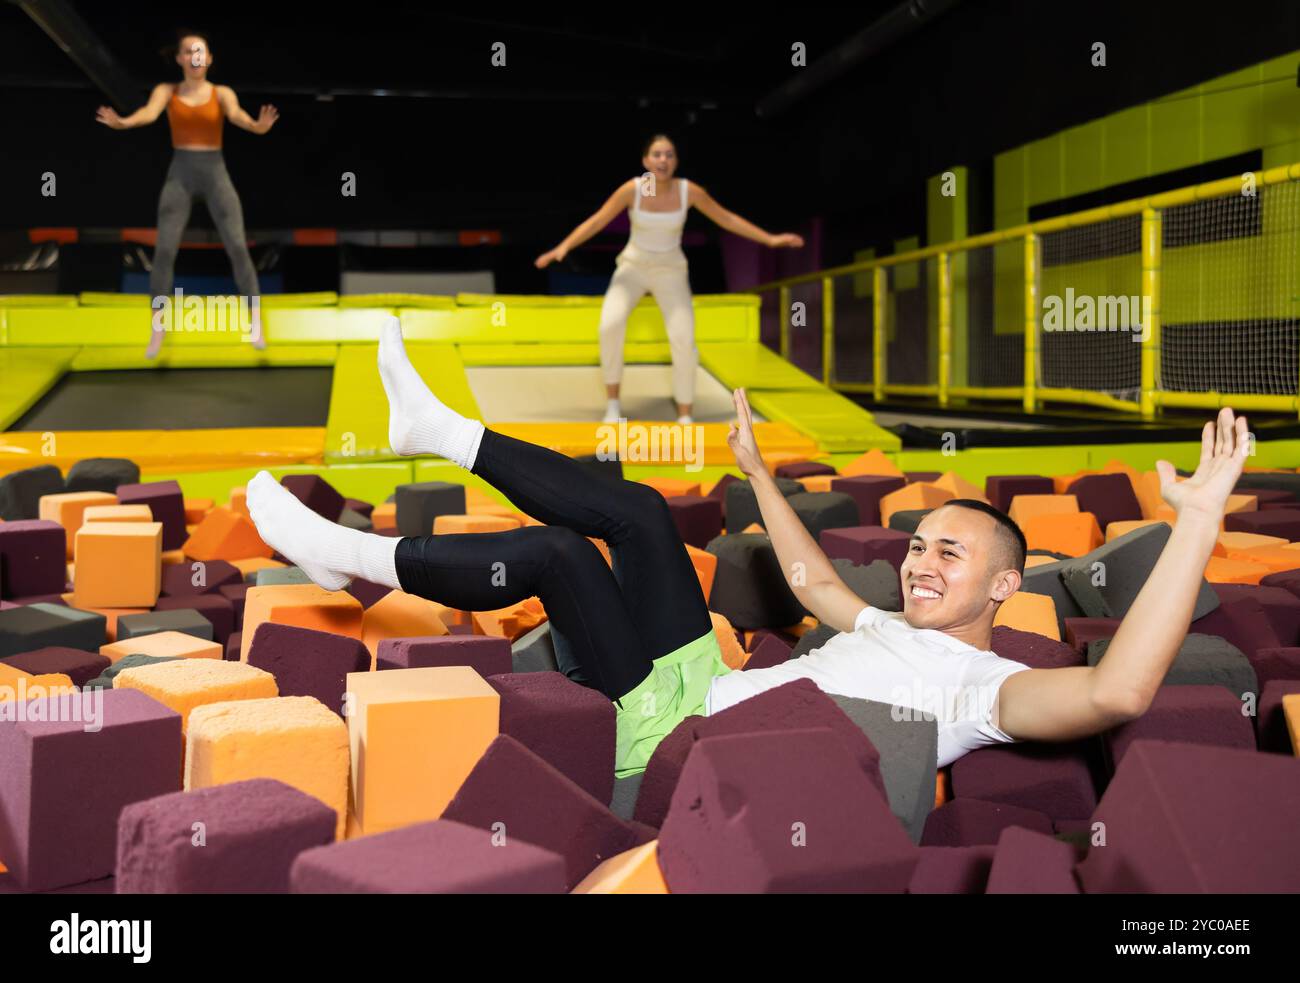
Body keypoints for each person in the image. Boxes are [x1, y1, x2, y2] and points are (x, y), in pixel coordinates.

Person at [246, 317, 1251, 777]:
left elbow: (1114, 693)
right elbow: (811, 576)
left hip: (672, 741)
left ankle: (349, 556)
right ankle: (443, 432)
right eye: (917, 543)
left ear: (1004, 583)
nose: (919, 559)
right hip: (696, 680)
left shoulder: (978, 690)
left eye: (949, 552)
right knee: (639, 511)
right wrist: (760, 472)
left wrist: (1197, 519)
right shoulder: (889, 623)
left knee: (560, 555)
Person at [534, 134, 805, 425]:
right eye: (657, 154)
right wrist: (563, 247)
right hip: (633, 267)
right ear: (646, 160)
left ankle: (685, 413)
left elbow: (727, 219)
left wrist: (771, 239)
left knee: (683, 338)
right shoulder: (635, 189)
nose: (663, 160)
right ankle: (613, 403)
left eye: (669, 155)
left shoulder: (688, 191)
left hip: (671, 270)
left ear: (675, 161)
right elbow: (598, 220)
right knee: (609, 324)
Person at [95, 30, 277, 358]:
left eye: (201, 52)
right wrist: (123, 123)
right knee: (164, 251)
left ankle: (255, 321)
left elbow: (238, 117)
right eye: (189, 52)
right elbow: (148, 114)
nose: (195, 57)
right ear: (180, 59)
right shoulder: (168, 91)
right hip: (181, 173)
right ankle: (157, 326)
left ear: (208, 59)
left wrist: (257, 127)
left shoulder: (222, 93)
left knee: (237, 246)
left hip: (214, 172)